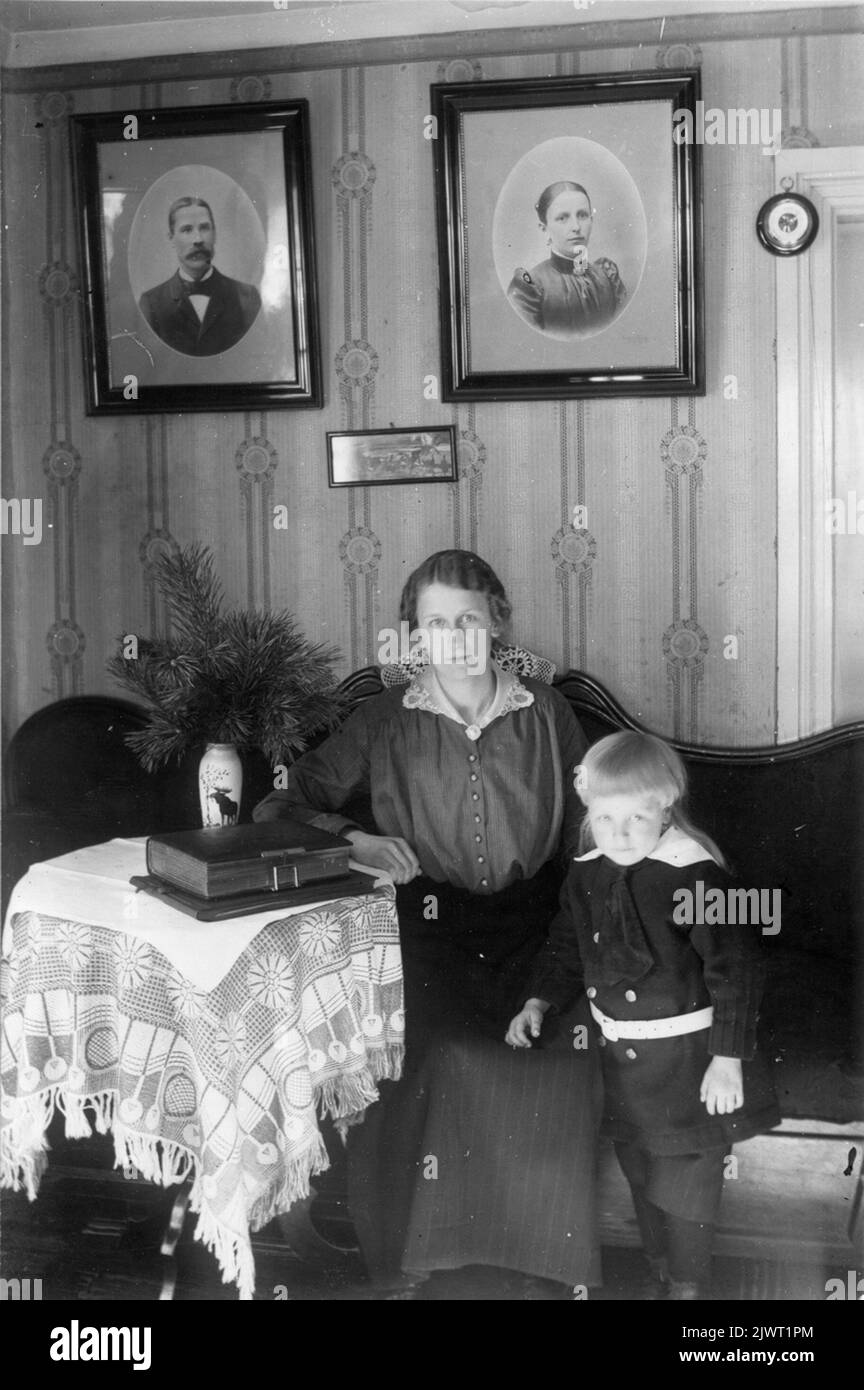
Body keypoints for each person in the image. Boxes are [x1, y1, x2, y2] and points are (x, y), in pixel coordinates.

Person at [253, 549, 600, 1298]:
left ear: (497, 620)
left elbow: (592, 831)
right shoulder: (383, 720)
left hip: (534, 925)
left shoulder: (547, 713)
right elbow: (279, 805)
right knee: (406, 1072)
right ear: (415, 636)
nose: (454, 637)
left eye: (468, 619)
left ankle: (532, 1271)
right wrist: (356, 839)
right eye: (435, 623)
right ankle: (407, 1272)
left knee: (552, 1064)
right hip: (424, 930)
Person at [507, 731, 780, 1300]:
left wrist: (727, 1060)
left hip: (689, 1063)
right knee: (640, 1166)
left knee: (688, 1180)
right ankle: (658, 1267)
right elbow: (565, 946)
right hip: (622, 1063)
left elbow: (738, 968)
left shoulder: (698, 875)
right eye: (605, 819)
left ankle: (688, 1284)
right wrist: (539, 1001)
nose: (620, 834)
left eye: (636, 817)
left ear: (666, 804)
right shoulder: (585, 874)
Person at [138, 195, 261, 356]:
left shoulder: (247, 297)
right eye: (187, 230)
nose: (198, 239)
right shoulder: (151, 303)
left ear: (215, 234)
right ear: (171, 239)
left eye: (204, 228)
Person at [507, 180, 626, 338]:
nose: (576, 227)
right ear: (545, 230)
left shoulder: (607, 275)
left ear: (592, 220)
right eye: (563, 218)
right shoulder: (530, 286)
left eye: (582, 215)